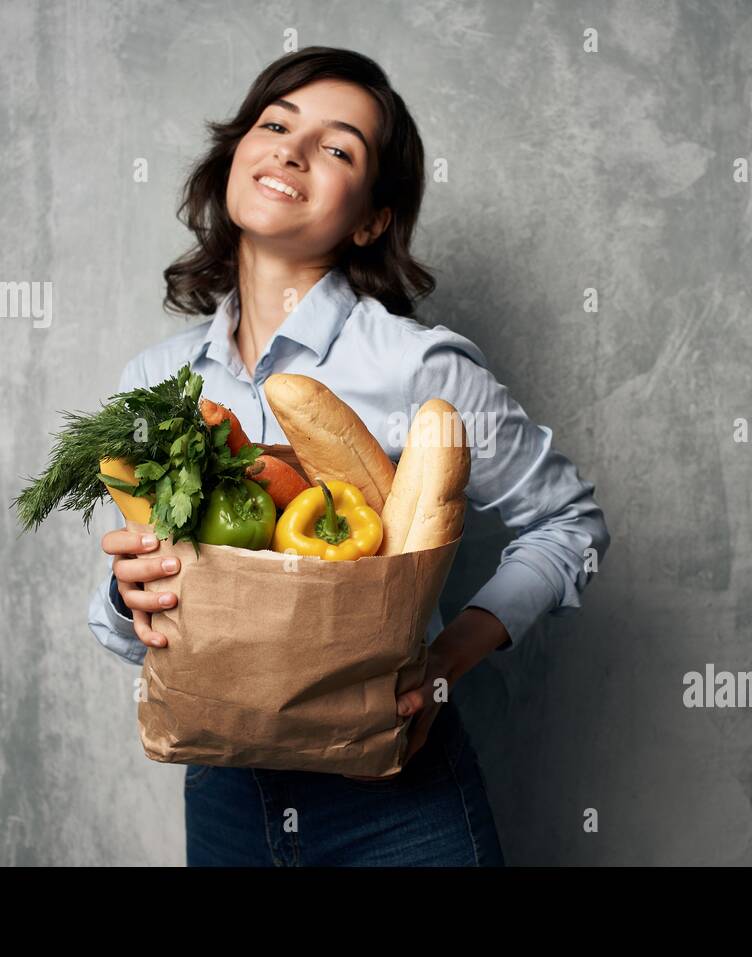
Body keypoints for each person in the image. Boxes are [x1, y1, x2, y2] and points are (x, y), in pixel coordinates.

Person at [86, 47, 610, 866]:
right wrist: (128, 597)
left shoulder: (418, 367)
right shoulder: (155, 382)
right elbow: (132, 627)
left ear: (369, 218)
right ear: (236, 158)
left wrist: (447, 660)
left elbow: (570, 523)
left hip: (400, 802)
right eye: (275, 125)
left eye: (338, 149)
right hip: (225, 795)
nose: (292, 150)